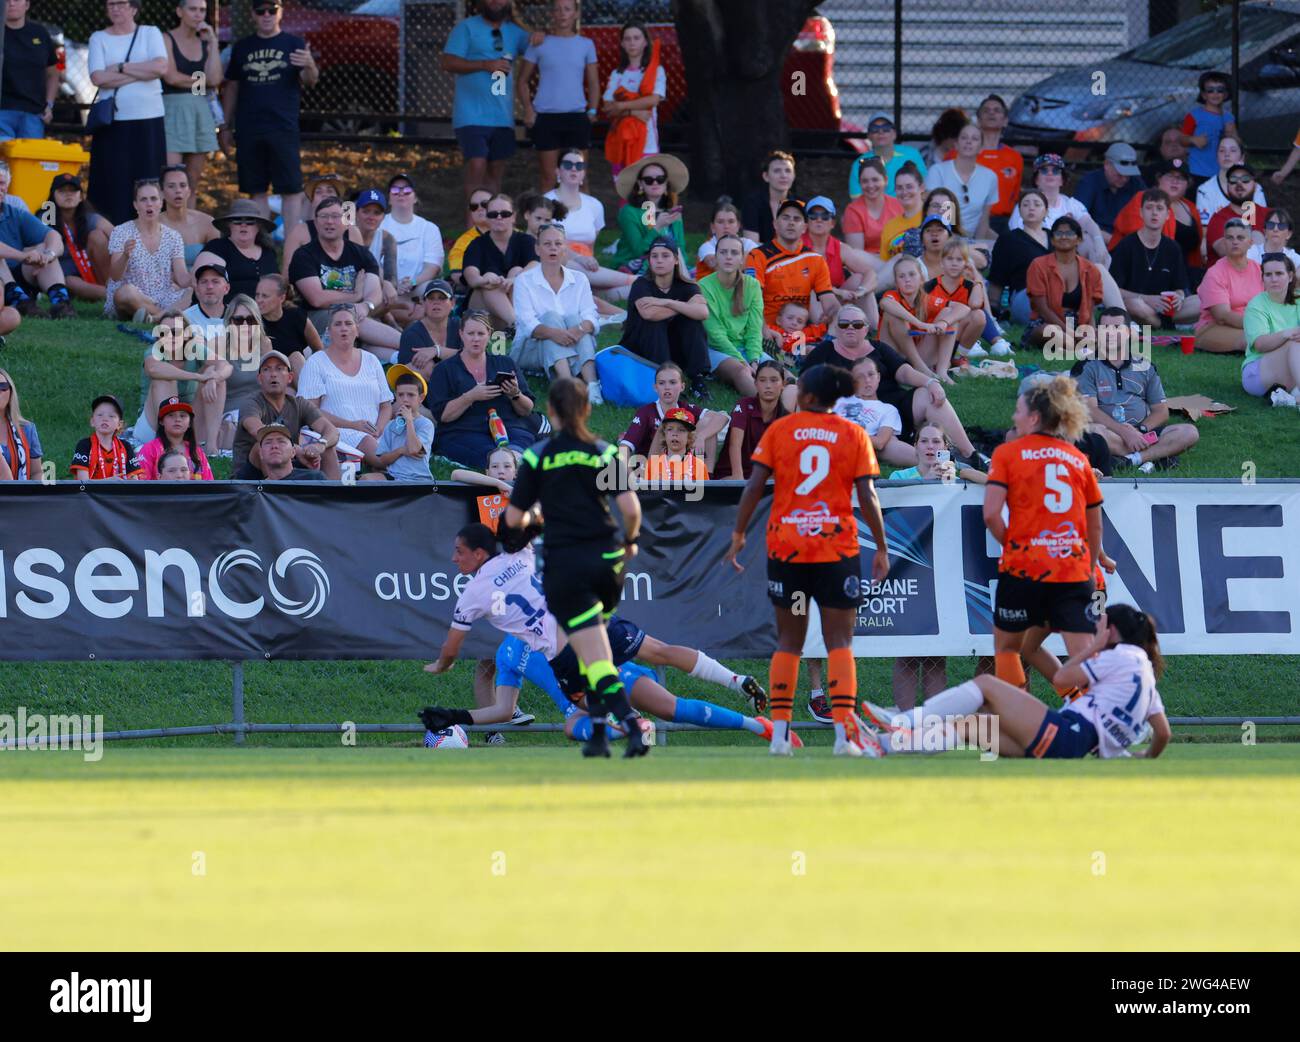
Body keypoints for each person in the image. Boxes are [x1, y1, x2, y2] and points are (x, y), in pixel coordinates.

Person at [419, 522, 771, 746]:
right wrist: (456, 716)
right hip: (589, 623)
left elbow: (451, 648)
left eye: (459, 552)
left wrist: (441, 665)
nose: (453, 559)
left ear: (479, 553)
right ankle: (738, 689)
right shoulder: (519, 562)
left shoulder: (478, 600)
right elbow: (503, 709)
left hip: (578, 662)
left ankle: (629, 725)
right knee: (659, 655)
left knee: (590, 713)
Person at [727, 364, 890, 757]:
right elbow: (867, 496)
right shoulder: (853, 434)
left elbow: (753, 485)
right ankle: (843, 736)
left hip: (788, 550)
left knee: (789, 641)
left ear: (808, 396)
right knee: (839, 642)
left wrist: (738, 533)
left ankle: (780, 738)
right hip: (836, 553)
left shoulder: (780, 431)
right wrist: (882, 547)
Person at [502, 378, 648, 758]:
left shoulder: (537, 456)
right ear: (586, 410)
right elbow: (631, 510)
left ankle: (631, 726)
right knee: (593, 648)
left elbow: (514, 518)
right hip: (608, 562)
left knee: (594, 656)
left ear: (551, 411)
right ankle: (599, 734)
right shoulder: (604, 451)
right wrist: (630, 541)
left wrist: (536, 515)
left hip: (566, 565)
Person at [872, 606, 1170, 761]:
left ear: (1112, 632)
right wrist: (1145, 756)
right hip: (1070, 744)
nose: (1095, 627)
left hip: (1067, 733)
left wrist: (1093, 648)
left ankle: (904, 720)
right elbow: (1163, 733)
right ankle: (880, 745)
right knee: (970, 725)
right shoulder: (1143, 671)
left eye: (1101, 625)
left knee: (987, 683)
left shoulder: (1119, 654)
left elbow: (1062, 678)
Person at [983, 375, 1104, 694]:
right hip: (1072, 572)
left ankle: (1020, 725)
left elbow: (991, 514)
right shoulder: (1079, 460)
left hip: (1023, 569)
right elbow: (1095, 526)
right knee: (1084, 656)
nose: (1014, 417)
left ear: (1034, 418)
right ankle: (1102, 721)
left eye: (1018, 411)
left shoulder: (1008, 454)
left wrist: (1014, 547)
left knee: (1008, 648)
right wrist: (1090, 568)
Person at [802, 302, 981, 459]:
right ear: (836, 328)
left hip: (892, 410)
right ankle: (943, 459)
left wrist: (931, 382)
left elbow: (904, 372)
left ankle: (969, 454)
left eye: (856, 324)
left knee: (929, 395)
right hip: (847, 417)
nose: (850, 327)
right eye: (844, 324)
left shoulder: (879, 348)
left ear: (865, 328)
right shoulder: (824, 351)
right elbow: (804, 382)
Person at [221, 0, 317, 232]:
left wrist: (309, 64)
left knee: (291, 189)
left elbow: (311, 81)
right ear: (252, 14)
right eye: (260, 11)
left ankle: (292, 246)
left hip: (283, 127)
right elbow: (231, 87)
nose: (266, 15)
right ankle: (262, 245)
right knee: (256, 190)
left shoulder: (294, 44)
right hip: (249, 128)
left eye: (272, 10)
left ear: (280, 12)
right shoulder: (242, 47)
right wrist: (224, 126)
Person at [1077, 312, 1200, 472]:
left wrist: (1140, 431)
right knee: (1090, 431)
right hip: (1108, 432)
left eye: (1116, 328)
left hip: (1143, 433)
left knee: (1189, 432)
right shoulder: (1086, 366)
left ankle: (1129, 460)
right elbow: (1090, 411)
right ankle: (1156, 456)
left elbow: (1161, 412)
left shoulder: (1145, 366)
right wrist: (1124, 432)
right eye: (1104, 328)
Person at [87, 0, 168, 226]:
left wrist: (121, 68)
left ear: (134, 8)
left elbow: (161, 68)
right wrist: (142, 71)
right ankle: (115, 234)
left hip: (149, 120)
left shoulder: (150, 33)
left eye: (121, 3)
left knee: (149, 180)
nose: (115, 8)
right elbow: (98, 78)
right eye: (110, 4)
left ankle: (151, 232)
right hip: (113, 123)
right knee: (115, 181)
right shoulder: (98, 38)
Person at [137, 260, 232, 449]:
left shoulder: (193, 347)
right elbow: (154, 368)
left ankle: (210, 447)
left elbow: (225, 365)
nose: (170, 336)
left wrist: (213, 377)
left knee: (216, 375)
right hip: (154, 424)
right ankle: (168, 445)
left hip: (187, 420)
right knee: (165, 378)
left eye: (176, 332)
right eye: (165, 332)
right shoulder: (155, 350)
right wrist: (198, 376)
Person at [442, 0, 531, 198]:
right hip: (471, 114)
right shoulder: (466, 28)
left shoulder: (515, 32)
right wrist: (484, 64)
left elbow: (537, 49)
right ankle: (471, 225)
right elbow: (448, 62)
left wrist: (542, 36)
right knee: (477, 163)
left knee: (495, 172)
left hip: (501, 116)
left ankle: (491, 223)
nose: (496, 2)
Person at [288, 197, 398, 357]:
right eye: (324, 217)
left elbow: (374, 292)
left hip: (354, 317)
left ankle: (407, 355)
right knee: (348, 317)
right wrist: (356, 296)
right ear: (316, 223)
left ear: (347, 221)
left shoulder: (361, 253)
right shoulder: (304, 255)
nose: (329, 221)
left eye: (335, 216)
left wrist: (366, 305)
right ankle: (409, 344)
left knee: (384, 349)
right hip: (314, 318)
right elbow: (317, 299)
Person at [429, 310, 536, 466]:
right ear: (461, 334)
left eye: (481, 333)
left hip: (508, 427)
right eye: (470, 333)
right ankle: (506, 463)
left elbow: (527, 410)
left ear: (489, 334)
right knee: (488, 453)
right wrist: (470, 396)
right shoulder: (445, 369)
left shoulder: (505, 363)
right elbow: (443, 416)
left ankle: (509, 461)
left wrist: (515, 394)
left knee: (519, 442)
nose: (476, 339)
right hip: (464, 431)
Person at [296, 305, 393, 470]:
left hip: (376, 432)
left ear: (357, 330)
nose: (344, 329)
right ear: (328, 331)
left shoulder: (372, 360)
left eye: (348, 324)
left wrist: (379, 429)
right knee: (374, 447)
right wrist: (352, 425)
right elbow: (309, 410)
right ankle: (399, 474)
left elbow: (386, 405)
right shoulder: (316, 362)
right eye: (337, 324)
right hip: (337, 432)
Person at [516, 0, 598, 190]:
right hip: (546, 118)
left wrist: (592, 109)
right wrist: (528, 110)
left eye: (567, 9)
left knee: (579, 178)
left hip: (576, 116)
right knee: (549, 178)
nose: (562, 14)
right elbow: (522, 81)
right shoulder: (539, 43)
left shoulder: (586, 44)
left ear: (576, 13)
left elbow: (593, 82)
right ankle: (547, 219)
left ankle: (583, 219)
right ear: (552, 14)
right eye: (558, 9)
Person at [511, 222, 600, 395]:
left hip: (574, 343)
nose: (553, 248)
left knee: (577, 320)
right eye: (547, 244)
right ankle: (568, 386)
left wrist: (579, 329)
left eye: (558, 243)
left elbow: (592, 315)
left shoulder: (579, 279)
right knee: (550, 317)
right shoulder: (524, 280)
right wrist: (554, 333)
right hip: (532, 350)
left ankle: (593, 386)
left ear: (564, 248)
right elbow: (528, 324)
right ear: (537, 249)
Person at [621, 236, 712, 400]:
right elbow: (649, 313)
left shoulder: (688, 286)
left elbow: (703, 312)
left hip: (674, 349)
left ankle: (698, 380)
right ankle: (665, 380)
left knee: (692, 321)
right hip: (642, 350)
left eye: (665, 255)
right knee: (655, 322)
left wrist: (666, 302)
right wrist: (684, 306)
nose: (659, 260)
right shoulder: (641, 284)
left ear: (676, 260)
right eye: (654, 256)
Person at [233, 349, 340, 479]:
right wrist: (297, 449)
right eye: (266, 369)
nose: (273, 374)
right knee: (262, 447)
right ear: (259, 379)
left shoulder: (299, 403)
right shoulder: (251, 402)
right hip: (252, 473)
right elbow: (258, 430)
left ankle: (334, 495)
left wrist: (320, 445)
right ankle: (277, 495)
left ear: (290, 377)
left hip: (289, 463)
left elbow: (332, 431)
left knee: (329, 446)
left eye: (279, 369)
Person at [747, 199, 839, 343]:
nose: (791, 222)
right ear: (775, 224)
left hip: (800, 332)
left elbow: (830, 302)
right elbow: (750, 300)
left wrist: (835, 315)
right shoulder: (757, 256)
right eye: (785, 218)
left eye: (797, 219)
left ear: (804, 227)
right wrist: (764, 329)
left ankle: (824, 347)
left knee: (842, 314)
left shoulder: (815, 259)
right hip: (767, 330)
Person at [1108, 189, 1199, 327]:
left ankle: (1158, 324)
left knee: (1202, 300)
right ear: (1141, 213)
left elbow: (1180, 287)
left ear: (1168, 215)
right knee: (1134, 305)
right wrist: (1148, 299)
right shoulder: (1126, 245)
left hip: (1167, 308)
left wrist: (1178, 297)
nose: (1154, 213)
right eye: (1149, 208)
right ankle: (1164, 325)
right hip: (1140, 305)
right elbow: (1114, 290)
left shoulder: (1173, 247)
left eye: (1160, 208)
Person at [161, 0, 222, 201]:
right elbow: (171, 77)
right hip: (173, 111)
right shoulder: (166, 38)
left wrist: (213, 43)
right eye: (193, 9)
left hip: (200, 112)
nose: (198, 15)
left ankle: (189, 229)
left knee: (191, 181)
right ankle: (167, 229)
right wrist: (203, 83)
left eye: (202, 10)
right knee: (171, 178)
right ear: (179, 11)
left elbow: (215, 79)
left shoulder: (206, 42)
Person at [618, 360, 727, 472]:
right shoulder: (646, 412)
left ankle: (707, 479)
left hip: (681, 466)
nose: (667, 387)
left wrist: (701, 436)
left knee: (707, 422)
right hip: (652, 470)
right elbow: (624, 447)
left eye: (673, 382)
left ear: (682, 387)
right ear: (655, 387)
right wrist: (631, 478)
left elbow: (722, 418)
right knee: (667, 427)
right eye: (661, 383)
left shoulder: (685, 408)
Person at [104, 178, 190, 320]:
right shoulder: (121, 232)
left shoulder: (173, 236)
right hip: (133, 295)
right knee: (124, 293)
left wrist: (201, 274)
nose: (149, 204)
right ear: (135, 205)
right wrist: (125, 255)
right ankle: (163, 317)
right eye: (143, 199)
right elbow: (115, 276)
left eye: (154, 199)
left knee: (192, 292)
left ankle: (153, 318)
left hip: (164, 297)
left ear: (161, 203)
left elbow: (182, 279)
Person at [1108, 158, 1203, 281]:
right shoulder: (1143, 199)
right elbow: (1139, 242)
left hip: (1182, 274)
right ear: (1159, 179)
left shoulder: (1191, 207)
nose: (1175, 181)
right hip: (1142, 273)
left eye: (1181, 178)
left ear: (1187, 184)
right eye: (1170, 176)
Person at [1008, 154, 1110, 266]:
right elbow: (1022, 239)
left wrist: (1099, 241)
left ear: (1062, 180)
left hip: (1068, 260)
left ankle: (1095, 281)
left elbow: (1088, 223)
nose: (1050, 173)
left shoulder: (1070, 203)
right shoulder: (1026, 205)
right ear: (1036, 179)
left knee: (1091, 242)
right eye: (1044, 170)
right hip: (1035, 261)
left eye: (1056, 170)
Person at [878, 251, 961, 383]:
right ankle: (921, 368)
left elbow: (964, 308)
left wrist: (944, 323)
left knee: (949, 315)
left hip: (915, 355)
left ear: (921, 278)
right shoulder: (892, 296)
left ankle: (941, 371)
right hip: (891, 357)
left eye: (912, 274)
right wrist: (920, 324)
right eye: (901, 276)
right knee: (893, 314)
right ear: (896, 282)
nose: (907, 279)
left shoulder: (925, 300)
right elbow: (885, 303)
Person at [1024, 216, 1104, 349]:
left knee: (1108, 335)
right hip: (1047, 324)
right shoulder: (1038, 265)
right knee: (1050, 332)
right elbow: (1043, 309)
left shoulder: (1091, 270)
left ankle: (1074, 345)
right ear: (1052, 240)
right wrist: (1071, 333)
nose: (1064, 237)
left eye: (1070, 233)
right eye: (1059, 233)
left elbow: (1089, 310)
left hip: (1079, 325)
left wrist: (1090, 333)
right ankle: (1073, 344)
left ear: (1079, 239)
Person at [0, 165, 70, 317]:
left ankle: (61, 303)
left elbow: (54, 236)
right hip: (3, 279)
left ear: (8, 186)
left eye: (2, 183)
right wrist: (22, 256)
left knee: (44, 247)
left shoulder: (14, 212)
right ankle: (20, 302)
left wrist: (48, 255)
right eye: (63, 191)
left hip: (18, 277)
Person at [699, 233, 764, 396]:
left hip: (746, 348)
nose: (728, 257)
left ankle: (808, 410)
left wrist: (754, 360)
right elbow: (715, 335)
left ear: (742, 259)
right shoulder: (704, 286)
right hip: (716, 350)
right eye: (723, 252)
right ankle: (769, 411)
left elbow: (754, 329)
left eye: (734, 253)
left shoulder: (753, 285)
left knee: (781, 374)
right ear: (716, 256)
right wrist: (743, 361)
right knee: (742, 372)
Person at [461, 192, 536, 328]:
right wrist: (485, 281)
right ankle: (517, 325)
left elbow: (536, 264)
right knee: (490, 276)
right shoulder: (477, 244)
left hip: (518, 303)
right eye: (493, 214)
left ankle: (515, 325)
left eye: (505, 214)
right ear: (487, 218)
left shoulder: (526, 241)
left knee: (517, 271)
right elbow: (471, 276)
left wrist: (515, 280)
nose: (499, 218)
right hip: (483, 312)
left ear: (513, 217)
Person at [601, 20, 664, 176]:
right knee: (626, 194)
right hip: (620, 142)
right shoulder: (617, 74)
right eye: (627, 39)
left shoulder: (655, 71)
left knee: (648, 192)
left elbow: (653, 100)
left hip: (647, 145)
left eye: (636, 38)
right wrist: (634, 113)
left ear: (645, 42)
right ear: (622, 43)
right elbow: (608, 108)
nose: (632, 43)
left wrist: (621, 106)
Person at [609, 153, 687, 272]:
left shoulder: (673, 213)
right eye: (649, 180)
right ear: (640, 184)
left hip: (670, 269)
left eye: (660, 179)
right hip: (635, 268)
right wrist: (658, 227)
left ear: (666, 183)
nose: (655, 183)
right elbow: (639, 250)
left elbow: (680, 249)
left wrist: (682, 270)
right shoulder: (629, 212)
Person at [833, 354, 914, 467]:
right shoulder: (840, 402)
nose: (867, 380)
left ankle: (939, 462)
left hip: (863, 446)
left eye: (871, 374)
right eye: (860, 377)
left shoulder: (888, 410)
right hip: (835, 443)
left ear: (878, 377)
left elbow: (880, 442)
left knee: (891, 441)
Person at [1194, 219, 1262, 353]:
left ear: (1250, 243)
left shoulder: (1258, 269)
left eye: (1240, 237)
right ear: (1224, 242)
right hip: (1213, 327)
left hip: (1250, 325)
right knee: (1255, 340)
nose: (1235, 241)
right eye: (1230, 238)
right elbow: (1222, 316)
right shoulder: (1215, 273)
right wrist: (1257, 325)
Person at [1242, 252, 1300, 405]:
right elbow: (1260, 345)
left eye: (1279, 273)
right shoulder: (1256, 305)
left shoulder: (1298, 300)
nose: (1274, 279)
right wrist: (1286, 334)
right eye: (1268, 274)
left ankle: (1294, 395)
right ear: (1263, 278)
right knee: (1294, 342)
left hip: (1289, 368)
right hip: (1257, 373)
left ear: (1291, 276)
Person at [713, 360, 786, 480]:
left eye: (774, 380)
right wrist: (738, 477)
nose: (768, 385)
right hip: (732, 475)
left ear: (783, 384)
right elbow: (735, 444)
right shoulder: (744, 405)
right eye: (762, 380)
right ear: (756, 383)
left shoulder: (785, 417)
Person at [194, 198, 278, 302]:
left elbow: (278, 287)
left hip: (265, 313)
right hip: (225, 314)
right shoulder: (216, 248)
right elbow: (205, 289)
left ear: (259, 226)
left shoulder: (268, 252)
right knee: (177, 318)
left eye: (250, 221)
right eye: (237, 220)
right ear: (229, 225)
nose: (243, 225)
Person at [924, 122, 997, 239]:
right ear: (956, 144)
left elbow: (984, 219)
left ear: (981, 148)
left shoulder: (990, 176)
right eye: (964, 137)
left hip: (971, 241)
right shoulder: (937, 171)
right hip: (941, 238)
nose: (969, 141)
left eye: (975, 138)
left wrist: (979, 246)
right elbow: (931, 212)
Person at [988, 190, 1051, 326]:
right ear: (1020, 211)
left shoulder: (1057, 237)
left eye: (1037, 204)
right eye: (1026, 205)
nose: (1031, 208)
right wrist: (994, 311)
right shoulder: (1009, 239)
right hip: (1026, 294)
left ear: (1046, 211)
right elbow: (996, 279)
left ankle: (1108, 315)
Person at [48, 174, 112, 304]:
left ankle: (112, 289)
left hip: (93, 270)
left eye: (73, 190)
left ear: (81, 197)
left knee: (97, 236)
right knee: (70, 282)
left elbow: (118, 235)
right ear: (53, 195)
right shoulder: (45, 217)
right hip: (65, 274)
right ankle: (113, 296)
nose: (68, 194)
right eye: (62, 191)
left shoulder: (89, 217)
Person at [0, 0, 60, 140]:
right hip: (2, 112)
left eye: (16, 0)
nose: (11, 3)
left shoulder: (40, 33)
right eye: (7, 0)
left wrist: (49, 104)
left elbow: (53, 72)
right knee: (3, 160)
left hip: (34, 114)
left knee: (29, 160)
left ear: (27, 5)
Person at [964, 94, 1023, 235]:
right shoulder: (961, 154)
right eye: (986, 110)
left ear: (1005, 121)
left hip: (1002, 222)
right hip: (967, 221)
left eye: (997, 110)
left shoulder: (1015, 157)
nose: (991, 113)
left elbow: (1015, 197)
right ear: (978, 120)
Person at [379, 172, 444, 296]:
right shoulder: (378, 225)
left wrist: (412, 282)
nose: (401, 193)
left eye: (407, 190)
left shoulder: (429, 228)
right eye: (395, 190)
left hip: (417, 287)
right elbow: (372, 262)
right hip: (383, 287)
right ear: (389, 199)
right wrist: (391, 285)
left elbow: (432, 267)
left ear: (415, 198)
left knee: (433, 291)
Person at [368, 366, 434, 483]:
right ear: (395, 396)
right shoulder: (391, 425)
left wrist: (409, 421)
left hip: (418, 479)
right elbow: (382, 460)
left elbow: (414, 449)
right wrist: (401, 451)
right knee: (365, 480)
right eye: (401, 395)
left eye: (410, 395)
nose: (405, 399)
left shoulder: (425, 424)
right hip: (394, 477)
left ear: (421, 398)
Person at [253, 273, 322, 374]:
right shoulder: (251, 320)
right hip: (266, 377)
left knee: (296, 357)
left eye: (265, 296)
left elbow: (318, 349)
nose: (259, 300)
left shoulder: (296, 316)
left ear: (281, 298)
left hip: (295, 375)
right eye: (257, 295)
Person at [1073, 143, 1145, 238]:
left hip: (1127, 238)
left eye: (1128, 175)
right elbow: (1078, 219)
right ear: (1107, 164)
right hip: (1096, 238)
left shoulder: (1135, 182)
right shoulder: (1090, 181)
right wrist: (1112, 240)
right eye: (1119, 174)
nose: (1124, 179)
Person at [848, 111, 927, 197]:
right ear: (869, 136)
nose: (881, 132)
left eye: (886, 128)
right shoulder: (859, 163)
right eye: (875, 129)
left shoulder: (912, 154)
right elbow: (857, 199)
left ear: (894, 134)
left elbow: (924, 188)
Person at [1195, 133, 1265, 227]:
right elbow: (1205, 231)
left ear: (1242, 157)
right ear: (1216, 157)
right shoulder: (1205, 191)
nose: (1227, 154)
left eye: (1233, 150)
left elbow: (1260, 227)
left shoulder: (1255, 188)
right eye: (1222, 150)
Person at [1180, 71, 1236, 187]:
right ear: (1204, 95)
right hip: (1197, 171)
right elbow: (1182, 139)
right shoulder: (1194, 116)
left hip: (1221, 171)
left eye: (1220, 90)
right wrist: (1193, 140)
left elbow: (1237, 142)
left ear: (1226, 94)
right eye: (1210, 90)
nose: (1215, 94)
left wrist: (1232, 135)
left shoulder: (1229, 117)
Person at [138, 395, 213, 480]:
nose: (177, 419)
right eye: (171, 415)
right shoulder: (149, 450)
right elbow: (141, 485)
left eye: (182, 415)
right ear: (161, 421)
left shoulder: (197, 452)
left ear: (189, 423)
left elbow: (209, 484)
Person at [544, 149, 604, 255]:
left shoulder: (595, 205)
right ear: (558, 171)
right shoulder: (546, 202)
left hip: (586, 264)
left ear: (583, 173)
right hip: (555, 260)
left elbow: (591, 248)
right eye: (567, 164)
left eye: (579, 165)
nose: (573, 169)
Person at [70, 394, 144, 480]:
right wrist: (109, 482)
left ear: (119, 424)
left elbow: (134, 481)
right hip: (89, 493)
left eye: (111, 416)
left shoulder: (126, 447)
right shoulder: (84, 445)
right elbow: (82, 482)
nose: (104, 418)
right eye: (100, 415)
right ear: (92, 421)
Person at [1205, 164, 1270, 258]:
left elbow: (1279, 247)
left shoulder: (1269, 215)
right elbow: (1225, 251)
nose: (1239, 183)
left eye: (1245, 179)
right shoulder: (1218, 219)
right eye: (1233, 180)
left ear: (1255, 186)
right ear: (1227, 187)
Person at [843, 158, 903, 260]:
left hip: (898, 261)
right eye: (865, 181)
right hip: (866, 265)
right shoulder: (853, 211)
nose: (870, 185)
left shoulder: (898, 205)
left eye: (875, 180)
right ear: (859, 183)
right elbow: (857, 255)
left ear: (885, 180)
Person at [158, 163, 216, 268]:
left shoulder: (207, 222)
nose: (178, 190)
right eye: (171, 186)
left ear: (189, 191)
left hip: (202, 281)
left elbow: (218, 262)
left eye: (183, 185)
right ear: (161, 193)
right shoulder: (154, 225)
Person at [741, 150, 798, 244]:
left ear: (794, 176)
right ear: (766, 176)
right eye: (777, 171)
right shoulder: (752, 204)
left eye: (788, 171)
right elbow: (751, 245)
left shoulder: (801, 205)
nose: (783, 175)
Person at [695, 199, 759, 279]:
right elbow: (721, 268)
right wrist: (748, 256)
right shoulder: (706, 247)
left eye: (731, 222)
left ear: (738, 226)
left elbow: (761, 260)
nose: (726, 226)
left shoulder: (748, 243)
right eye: (720, 222)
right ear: (713, 227)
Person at [644, 406, 709, 483]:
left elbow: (705, 494)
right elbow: (647, 493)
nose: (675, 434)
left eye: (681, 430)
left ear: (689, 436)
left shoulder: (699, 466)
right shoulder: (653, 465)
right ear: (664, 434)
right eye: (670, 429)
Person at [877, 164, 925, 262]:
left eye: (909, 187)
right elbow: (884, 262)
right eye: (899, 188)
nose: (904, 192)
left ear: (921, 188)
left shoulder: (932, 218)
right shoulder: (889, 226)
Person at [0, 366, 41, 480]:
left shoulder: (27, 429)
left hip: (21, 496)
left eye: (2, 386)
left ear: (11, 391)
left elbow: (36, 472)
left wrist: (34, 496)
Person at [447, 188, 492, 286]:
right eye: (474, 206)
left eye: (485, 204)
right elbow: (457, 275)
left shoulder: (516, 235)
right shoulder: (463, 242)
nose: (479, 208)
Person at [252, 422, 326, 481]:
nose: (274, 446)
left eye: (281, 441)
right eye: (268, 442)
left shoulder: (313, 479)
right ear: (261, 453)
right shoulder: (257, 491)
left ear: (293, 452)